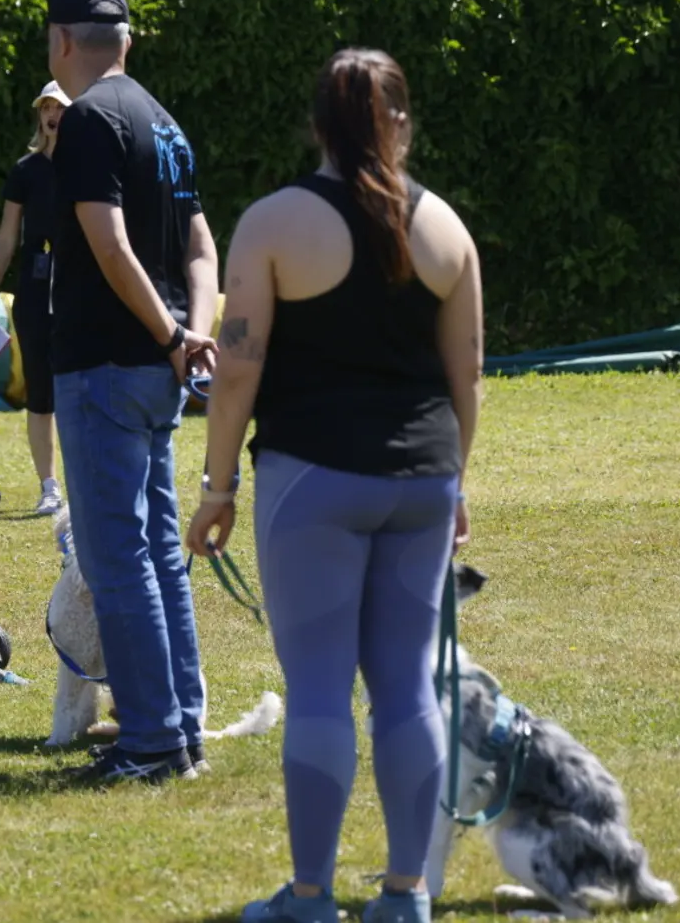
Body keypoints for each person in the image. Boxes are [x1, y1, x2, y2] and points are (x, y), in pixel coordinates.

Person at [183, 48, 483, 923]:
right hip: (422, 480)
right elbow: (466, 373)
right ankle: (405, 893)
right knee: (405, 687)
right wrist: (453, 478)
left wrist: (217, 483)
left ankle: (310, 896)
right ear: (401, 123)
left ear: (317, 125)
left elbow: (236, 372)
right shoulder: (447, 230)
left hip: (310, 477)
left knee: (318, 685)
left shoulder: (273, 223)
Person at [44, 0, 220, 783]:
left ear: (61, 42)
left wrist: (171, 332)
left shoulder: (86, 121)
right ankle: (180, 723)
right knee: (155, 549)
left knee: (119, 559)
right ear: (129, 40)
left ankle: (150, 742)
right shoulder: (168, 123)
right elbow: (202, 250)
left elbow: (107, 245)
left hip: (108, 366)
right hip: (160, 370)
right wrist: (195, 335)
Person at [0, 79, 71, 515]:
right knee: (40, 390)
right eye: (46, 107)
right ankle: (49, 487)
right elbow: (7, 236)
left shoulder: (91, 165)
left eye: (61, 107)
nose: (52, 114)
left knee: (81, 386)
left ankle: (88, 482)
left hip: (80, 285)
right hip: (34, 287)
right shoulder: (25, 171)